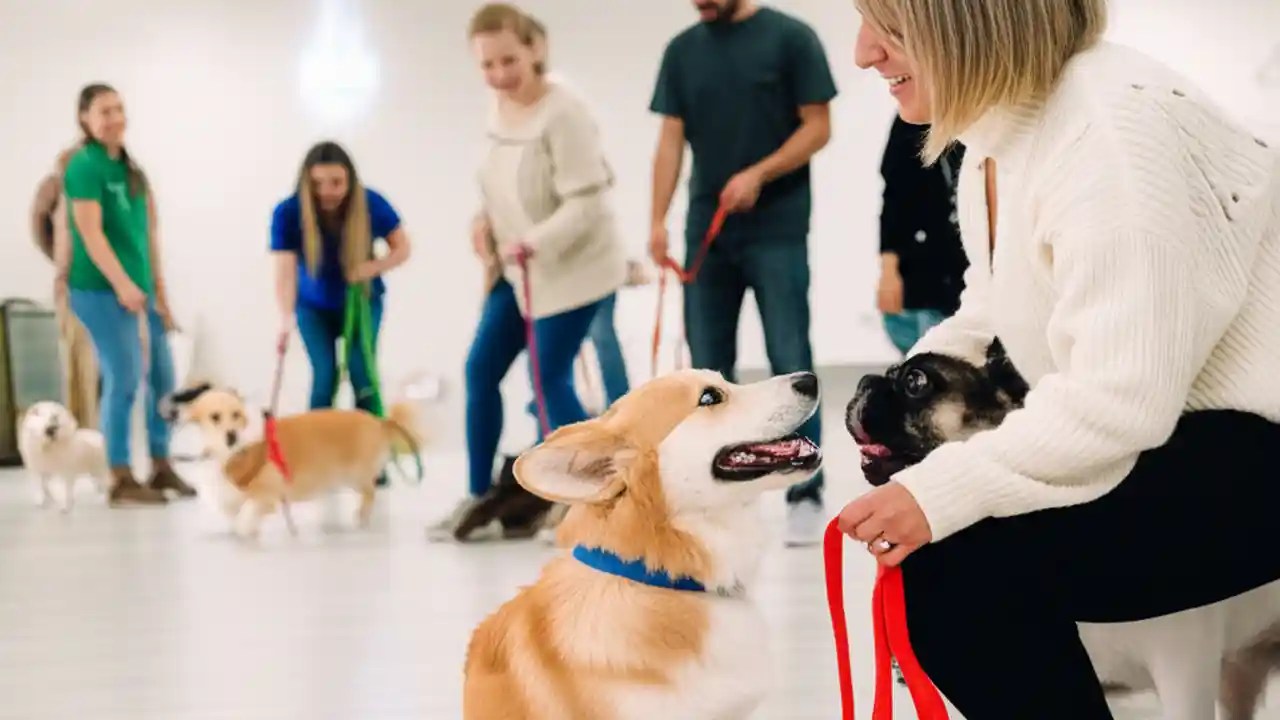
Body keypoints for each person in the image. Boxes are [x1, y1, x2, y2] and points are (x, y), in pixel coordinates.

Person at [840, 1, 1280, 717]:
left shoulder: (1108, 136)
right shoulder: (1007, 132)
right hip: (1191, 431)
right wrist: (896, 398)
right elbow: (991, 306)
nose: (864, 53)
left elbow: (1117, 402)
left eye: (889, 27)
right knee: (956, 555)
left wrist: (940, 493)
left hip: (1256, 451)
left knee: (962, 569)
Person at [429, 3, 626, 540]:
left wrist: (530, 243)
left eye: (508, 61)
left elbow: (586, 202)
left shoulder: (564, 112)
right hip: (516, 272)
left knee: (549, 378)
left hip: (574, 268)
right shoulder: (496, 111)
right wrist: (482, 222)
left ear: (535, 48)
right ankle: (478, 495)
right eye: (486, 66)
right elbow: (497, 185)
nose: (498, 76)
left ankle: (577, 501)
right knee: (479, 371)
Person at [649, 0, 837, 546]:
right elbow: (669, 141)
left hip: (777, 228)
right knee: (707, 371)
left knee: (788, 353)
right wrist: (656, 220)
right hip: (707, 230)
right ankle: (717, 490)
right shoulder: (682, 51)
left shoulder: (791, 38)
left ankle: (805, 490)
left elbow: (818, 127)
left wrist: (760, 172)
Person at [63, 83, 195, 505]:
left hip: (140, 291)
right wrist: (121, 284)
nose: (114, 118)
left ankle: (160, 465)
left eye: (119, 109)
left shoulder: (132, 171)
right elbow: (90, 233)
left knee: (164, 378)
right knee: (124, 378)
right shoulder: (83, 166)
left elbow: (146, 237)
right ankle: (119, 476)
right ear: (85, 119)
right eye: (104, 111)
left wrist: (160, 295)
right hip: (99, 289)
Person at [270, 141, 411, 477]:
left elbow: (402, 249)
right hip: (312, 307)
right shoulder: (288, 212)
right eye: (318, 183)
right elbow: (285, 271)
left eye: (336, 182)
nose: (327, 192)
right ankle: (314, 460)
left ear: (350, 180)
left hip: (361, 303)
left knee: (363, 375)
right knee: (324, 376)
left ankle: (372, 462)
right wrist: (285, 319)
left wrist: (369, 269)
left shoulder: (371, 204)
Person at [876, 117, 966, 355]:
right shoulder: (910, 120)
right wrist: (888, 271)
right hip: (924, 286)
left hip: (965, 286)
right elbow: (895, 199)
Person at [31, 146, 100, 430]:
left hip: (92, 287)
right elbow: (39, 229)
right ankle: (82, 434)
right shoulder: (55, 189)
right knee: (78, 367)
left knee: (89, 367)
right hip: (73, 287)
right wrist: (61, 267)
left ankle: (91, 435)